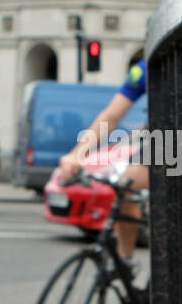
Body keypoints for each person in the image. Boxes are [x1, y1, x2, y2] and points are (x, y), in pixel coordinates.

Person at [58, 50, 147, 281]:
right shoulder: (144, 69)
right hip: (166, 135)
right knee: (127, 186)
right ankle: (125, 264)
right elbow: (111, 116)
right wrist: (78, 154)